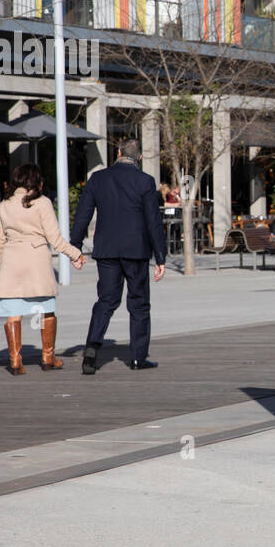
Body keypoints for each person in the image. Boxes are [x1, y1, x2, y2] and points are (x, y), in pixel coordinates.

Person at [69, 139, 167, 374]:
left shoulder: (98, 179)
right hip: (136, 250)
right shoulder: (145, 181)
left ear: (118, 153)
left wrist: (75, 246)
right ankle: (137, 358)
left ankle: (91, 353)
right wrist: (160, 257)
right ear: (139, 158)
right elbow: (153, 222)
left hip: (107, 250)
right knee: (139, 304)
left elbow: (83, 213)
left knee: (106, 301)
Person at [0, 163, 86, 376]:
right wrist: (75, 254)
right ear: (36, 181)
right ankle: (47, 356)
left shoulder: (5, 204)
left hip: (11, 262)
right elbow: (54, 238)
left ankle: (15, 360)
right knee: (46, 309)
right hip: (37, 262)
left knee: (13, 313)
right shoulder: (42, 203)